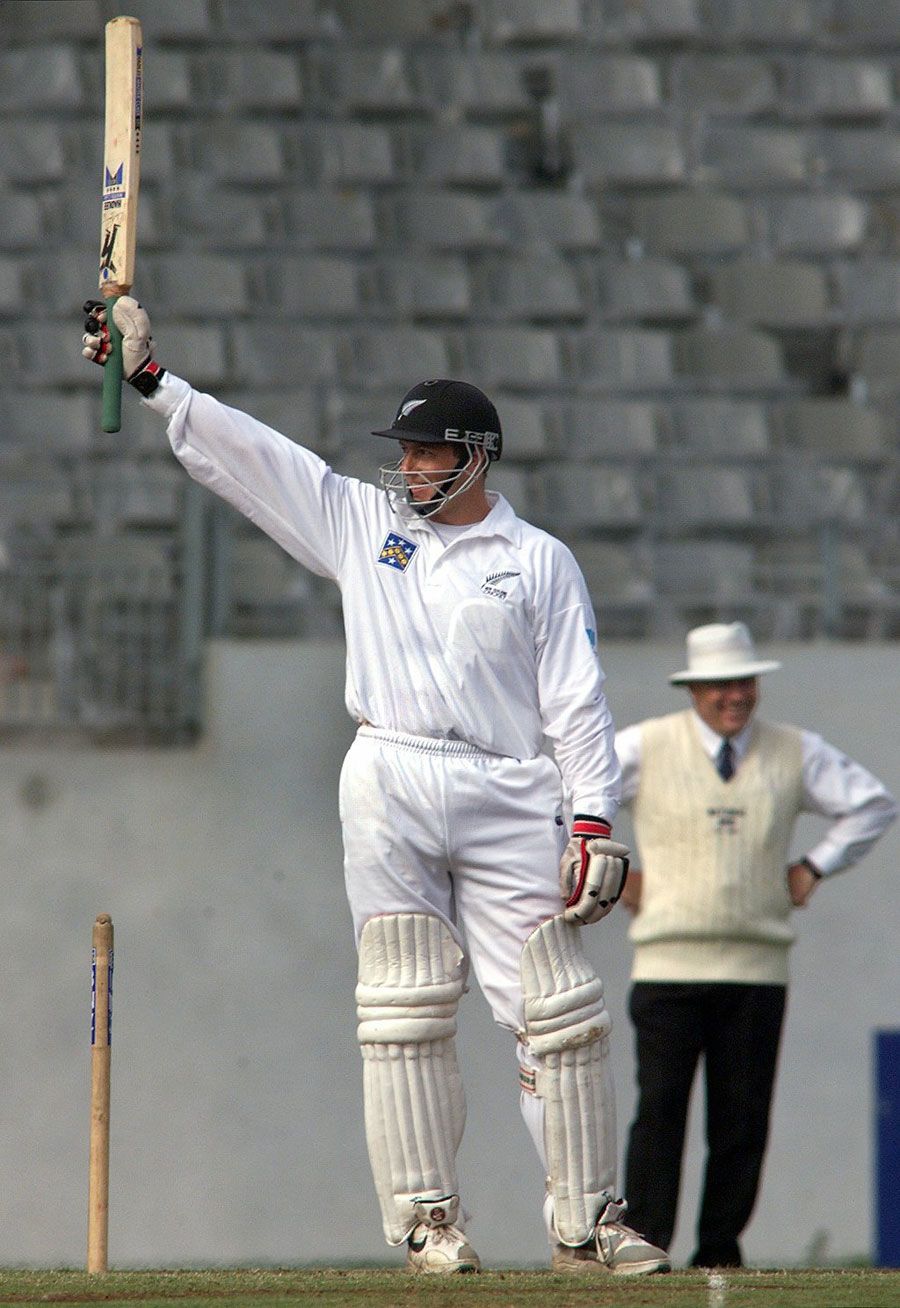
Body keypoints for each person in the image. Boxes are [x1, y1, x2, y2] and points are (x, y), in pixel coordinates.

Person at [81, 296, 670, 1277]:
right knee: (403, 1004)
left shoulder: (538, 562)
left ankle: (587, 1223)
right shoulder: (365, 523)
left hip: (508, 786)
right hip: (389, 774)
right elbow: (262, 464)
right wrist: (153, 381)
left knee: (557, 1008)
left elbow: (576, 700)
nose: (409, 468)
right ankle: (428, 1224)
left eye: (427, 453)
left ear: (475, 457)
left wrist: (593, 819)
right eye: (405, 452)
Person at [614, 622, 897, 1269]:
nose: (733, 696)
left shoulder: (792, 750)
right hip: (666, 964)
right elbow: (565, 803)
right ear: (694, 690)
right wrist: (613, 874)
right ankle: (645, 1242)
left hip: (757, 966)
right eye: (719, 685)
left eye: (743, 682)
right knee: (659, 1111)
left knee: (741, 1121)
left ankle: (720, 1251)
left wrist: (815, 866)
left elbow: (873, 804)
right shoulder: (645, 746)